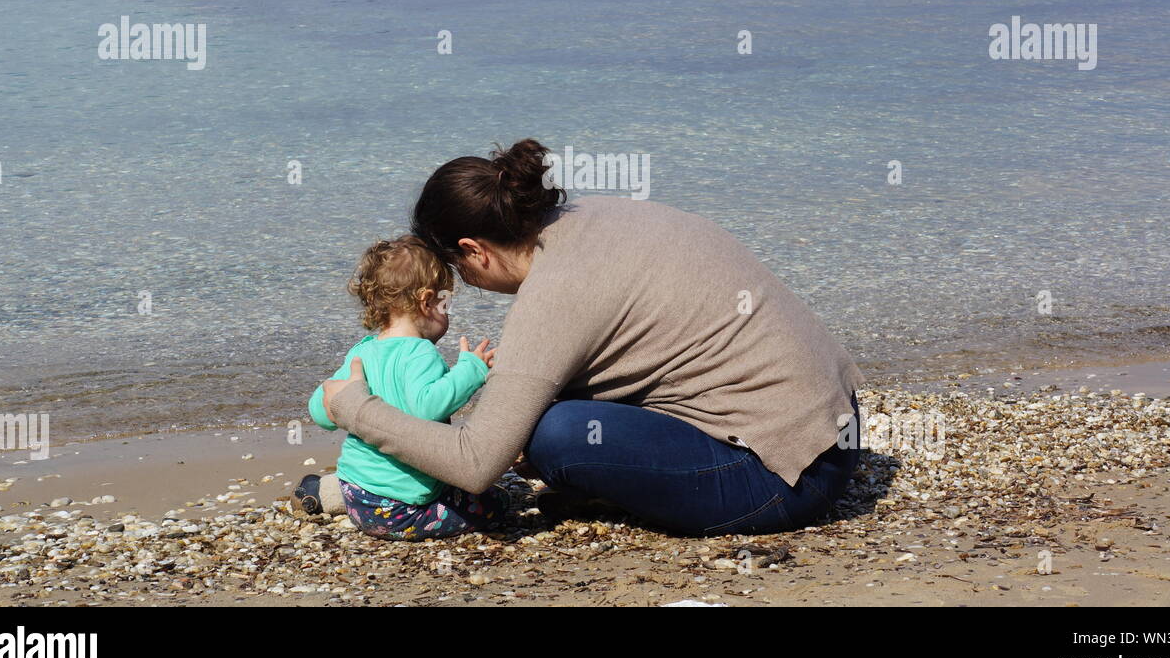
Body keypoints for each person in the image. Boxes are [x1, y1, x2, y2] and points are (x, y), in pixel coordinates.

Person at [316, 139, 863, 537]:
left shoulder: (554, 295)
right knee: (545, 407)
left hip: (783, 478)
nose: (467, 286)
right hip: (832, 424)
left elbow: (476, 464)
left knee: (556, 434)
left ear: (475, 250)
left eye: (460, 272)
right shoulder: (593, 215)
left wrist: (356, 410)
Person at [296, 235, 506, 540]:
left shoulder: (362, 352)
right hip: (403, 510)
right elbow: (428, 406)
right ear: (426, 301)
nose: (448, 311)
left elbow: (321, 411)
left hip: (356, 495)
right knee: (495, 502)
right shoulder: (421, 353)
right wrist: (470, 371)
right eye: (446, 302)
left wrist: (335, 403)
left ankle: (327, 494)